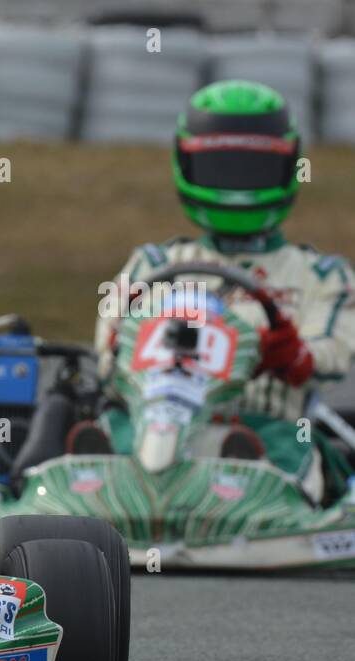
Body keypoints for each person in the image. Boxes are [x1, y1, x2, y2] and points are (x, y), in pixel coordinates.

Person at [92, 80, 355, 498]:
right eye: (223, 168)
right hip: (153, 418)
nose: (237, 183)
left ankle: (250, 475)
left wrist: (293, 355)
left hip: (265, 422)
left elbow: (335, 353)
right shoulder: (153, 266)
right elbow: (108, 358)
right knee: (108, 426)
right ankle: (104, 471)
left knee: (288, 444)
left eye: (252, 169)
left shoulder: (322, 275)